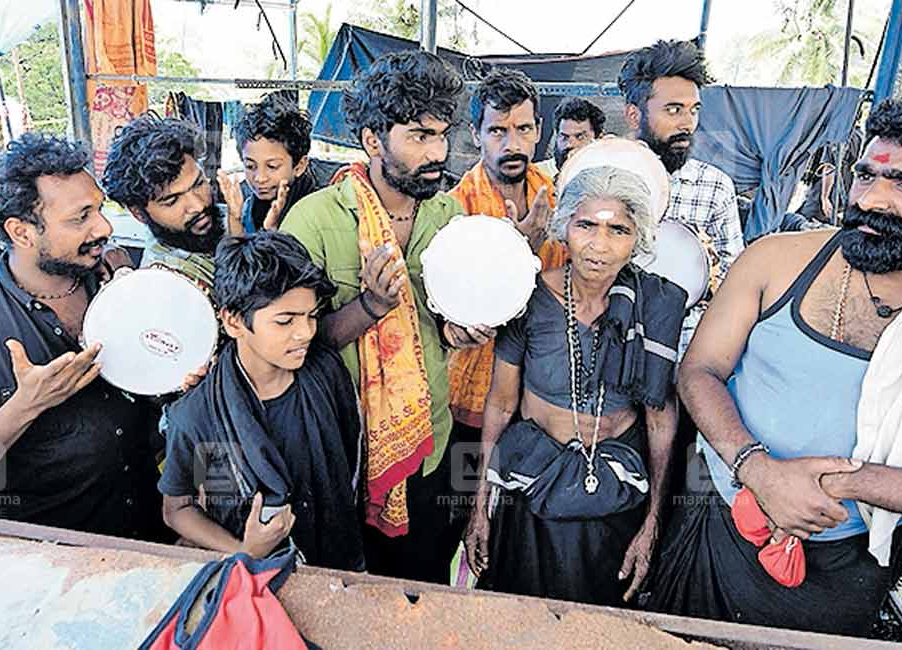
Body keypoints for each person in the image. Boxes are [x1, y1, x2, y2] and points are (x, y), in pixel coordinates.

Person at [645, 91, 902, 636]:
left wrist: (845, 485)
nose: (871, 199)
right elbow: (699, 370)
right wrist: (757, 470)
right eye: (866, 175)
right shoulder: (775, 259)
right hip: (718, 525)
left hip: (856, 561)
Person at [281, 50, 493, 584]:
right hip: (344, 454)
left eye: (442, 136)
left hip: (430, 444)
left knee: (423, 587)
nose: (438, 152)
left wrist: (458, 331)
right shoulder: (314, 220)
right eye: (419, 136)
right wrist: (370, 308)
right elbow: (291, 345)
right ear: (373, 140)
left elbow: (438, 325)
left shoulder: (449, 215)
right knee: (349, 590)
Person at [0, 134, 167, 540]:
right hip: (48, 555)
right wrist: (26, 406)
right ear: (22, 232)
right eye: (81, 218)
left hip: (156, 534)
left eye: (99, 209)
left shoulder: (116, 284)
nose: (105, 227)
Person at [462, 164, 685, 605]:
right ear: (564, 227)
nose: (599, 245)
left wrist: (652, 522)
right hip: (531, 487)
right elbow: (501, 405)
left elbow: (661, 421)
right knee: (520, 612)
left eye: (618, 230)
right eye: (586, 226)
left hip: (615, 495)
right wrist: (479, 507)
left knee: (600, 618)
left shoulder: (654, 306)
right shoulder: (528, 299)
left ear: (637, 239)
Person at [160, 231, 365, 570]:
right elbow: (178, 509)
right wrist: (245, 550)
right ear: (234, 321)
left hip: (337, 557)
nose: (305, 333)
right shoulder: (200, 417)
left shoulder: (326, 373)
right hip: (260, 576)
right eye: (285, 321)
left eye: (311, 316)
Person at [446, 68, 564, 492]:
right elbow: (461, 307)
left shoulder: (559, 198)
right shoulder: (455, 211)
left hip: (545, 392)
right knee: (465, 505)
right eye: (497, 130)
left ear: (539, 132)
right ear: (475, 135)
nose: (512, 144)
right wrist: (520, 251)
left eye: (523, 129)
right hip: (473, 394)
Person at [618, 39, 744, 352]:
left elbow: (735, 284)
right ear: (634, 115)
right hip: (612, 346)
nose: (687, 123)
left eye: (694, 110)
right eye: (673, 110)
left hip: (687, 352)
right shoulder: (605, 178)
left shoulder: (715, 187)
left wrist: (707, 272)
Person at [102, 114, 225, 293]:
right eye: (172, 200)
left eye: (198, 184)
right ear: (138, 213)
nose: (198, 206)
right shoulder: (167, 285)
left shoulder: (232, 216)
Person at [219, 93, 322, 234]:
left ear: (299, 166)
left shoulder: (316, 212)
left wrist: (272, 235)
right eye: (250, 166)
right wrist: (234, 219)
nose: (260, 178)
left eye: (272, 166)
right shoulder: (248, 208)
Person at [552, 97, 607, 168]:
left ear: (599, 139)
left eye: (580, 137)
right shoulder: (542, 172)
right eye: (564, 137)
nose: (570, 145)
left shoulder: (610, 172)